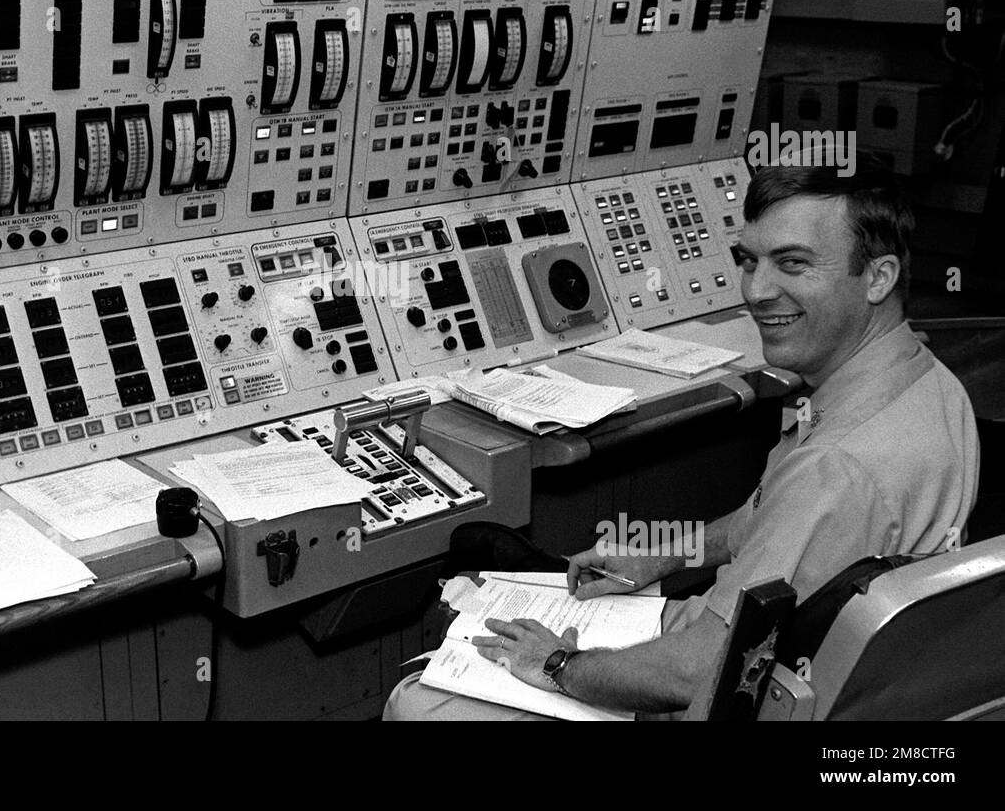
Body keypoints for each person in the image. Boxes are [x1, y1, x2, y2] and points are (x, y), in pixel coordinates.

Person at [384, 167, 980, 719]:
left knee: (417, 702)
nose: (757, 290)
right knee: (487, 556)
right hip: (818, 673)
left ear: (878, 277)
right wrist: (666, 555)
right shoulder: (931, 386)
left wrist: (558, 665)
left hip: (725, 691)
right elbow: (775, 523)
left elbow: (699, 675)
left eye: (794, 264)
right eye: (750, 261)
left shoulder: (835, 468)